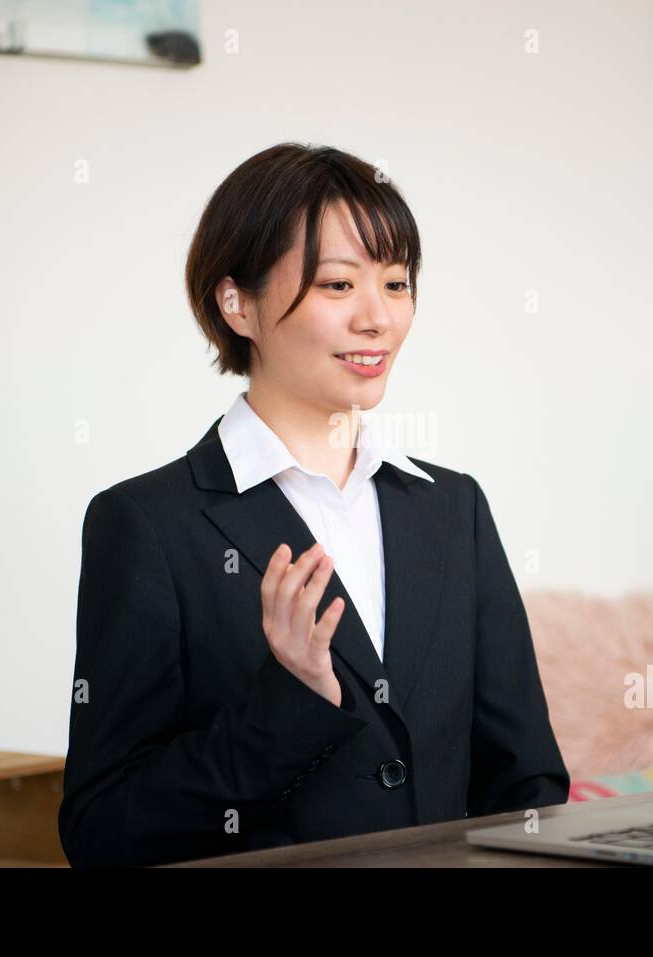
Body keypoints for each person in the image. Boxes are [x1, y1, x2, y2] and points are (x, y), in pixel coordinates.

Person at [58, 142, 569, 867]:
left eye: (396, 284)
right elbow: (102, 833)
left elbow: (526, 782)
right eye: (337, 285)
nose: (378, 318)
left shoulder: (454, 509)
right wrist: (287, 701)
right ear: (236, 302)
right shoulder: (147, 526)